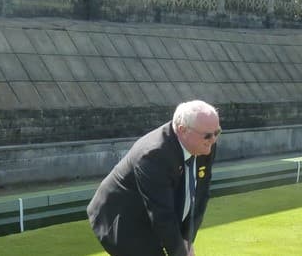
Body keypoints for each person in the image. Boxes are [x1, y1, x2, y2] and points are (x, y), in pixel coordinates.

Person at [88, 100, 220, 256]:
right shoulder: (154, 155)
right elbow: (162, 213)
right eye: (207, 135)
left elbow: (200, 195)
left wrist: (187, 239)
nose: (213, 140)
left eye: (217, 132)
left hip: (156, 214)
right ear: (182, 130)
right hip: (124, 220)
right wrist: (180, 253)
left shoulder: (205, 147)